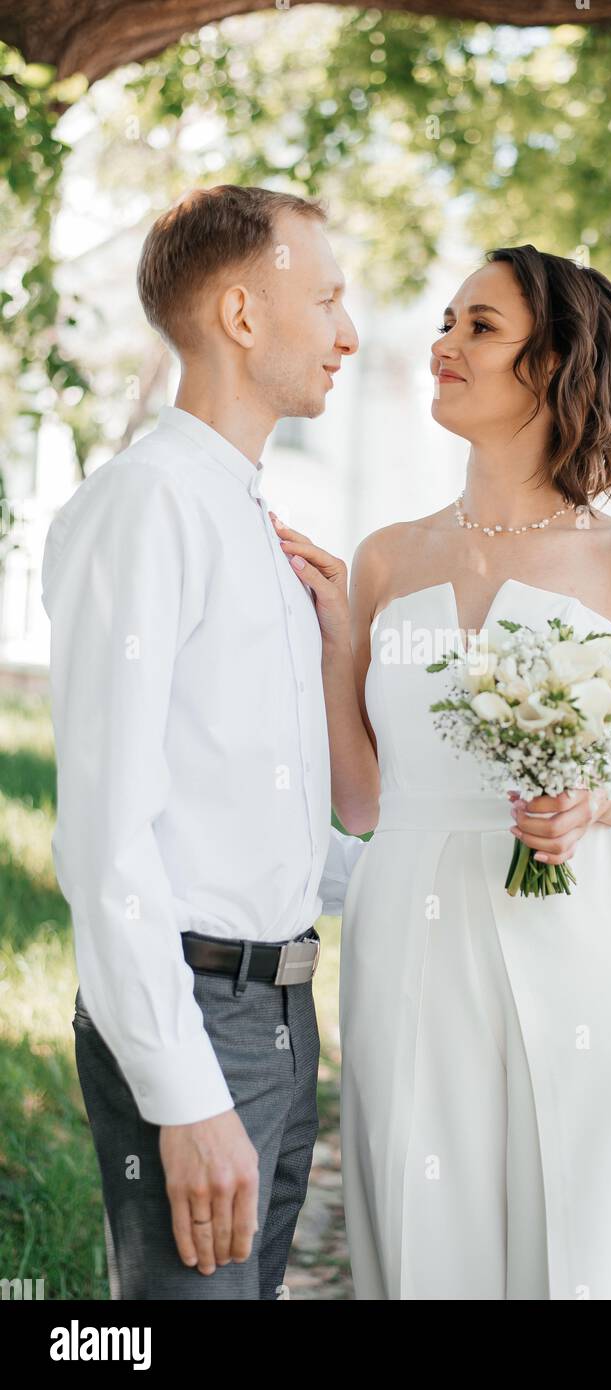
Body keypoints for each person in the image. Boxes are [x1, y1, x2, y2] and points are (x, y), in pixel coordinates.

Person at [272, 246, 611, 1299]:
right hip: (411, 942)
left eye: (481, 327)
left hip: (593, 946)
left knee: (588, 1251)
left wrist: (602, 800)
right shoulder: (386, 557)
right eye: (446, 320)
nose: (444, 344)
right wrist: (338, 649)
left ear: (553, 361)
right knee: (427, 1237)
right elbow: (364, 801)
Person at [41, 184, 363, 1299]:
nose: (348, 335)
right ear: (240, 313)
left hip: (281, 1011)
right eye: (326, 300)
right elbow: (105, 837)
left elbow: (256, 818)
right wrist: (182, 1094)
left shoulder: (251, 520)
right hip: (195, 1013)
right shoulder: (148, 504)